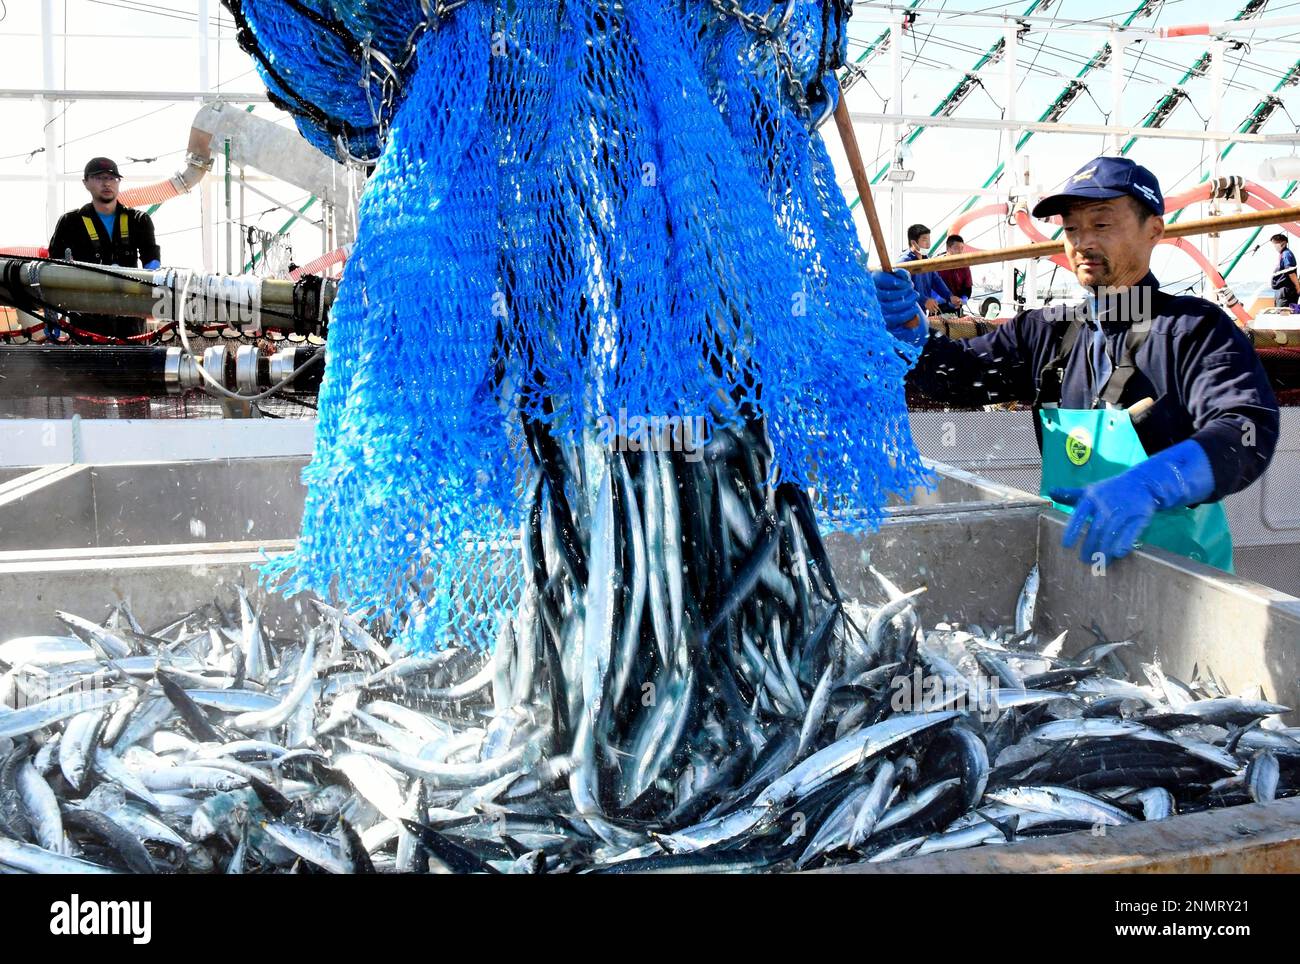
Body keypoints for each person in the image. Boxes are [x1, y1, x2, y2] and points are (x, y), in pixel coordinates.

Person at [872, 157, 1279, 572]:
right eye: (1071, 228)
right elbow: (956, 380)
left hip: (1184, 584)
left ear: (1154, 230)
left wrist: (1154, 483)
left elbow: (1247, 428)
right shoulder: (1045, 331)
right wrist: (909, 329)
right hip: (1073, 568)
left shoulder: (1196, 328)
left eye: (1101, 225)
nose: (1082, 242)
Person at [47, 157, 161, 342]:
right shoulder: (70, 222)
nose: (107, 183)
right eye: (99, 178)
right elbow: (53, 271)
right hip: (86, 319)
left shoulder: (139, 220)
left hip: (130, 319)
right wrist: (52, 316)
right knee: (87, 369)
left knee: (132, 368)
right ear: (86, 183)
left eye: (113, 178)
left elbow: (152, 264)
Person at [900, 224, 963, 316]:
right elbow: (903, 289)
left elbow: (936, 280)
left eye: (929, 239)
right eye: (925, 240)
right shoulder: (904, 262)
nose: (929, 244)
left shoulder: (927, 260)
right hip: (906, 314)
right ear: (913, 243)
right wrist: (924, 300)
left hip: (921, 313)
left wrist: (950, 297)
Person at [936, 234, 974, 304]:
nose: (960, 251)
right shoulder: (937, 265)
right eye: (956, 248)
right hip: (938, 307)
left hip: (957, 305)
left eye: (961, 248)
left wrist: (963, 300)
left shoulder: (965, 267)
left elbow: (968, 289)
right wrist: (944, 299)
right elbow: (930, 288)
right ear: (948, 248)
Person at [1270, 233, 1298, 309]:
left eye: (1276, 243)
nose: (1274, 246)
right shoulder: (1282, 254)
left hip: (1286, 292)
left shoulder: (1286, 254)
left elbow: (1290, 271)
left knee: (1284, 314)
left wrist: (1298, 287)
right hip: (1281, 292)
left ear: (1284, 243)